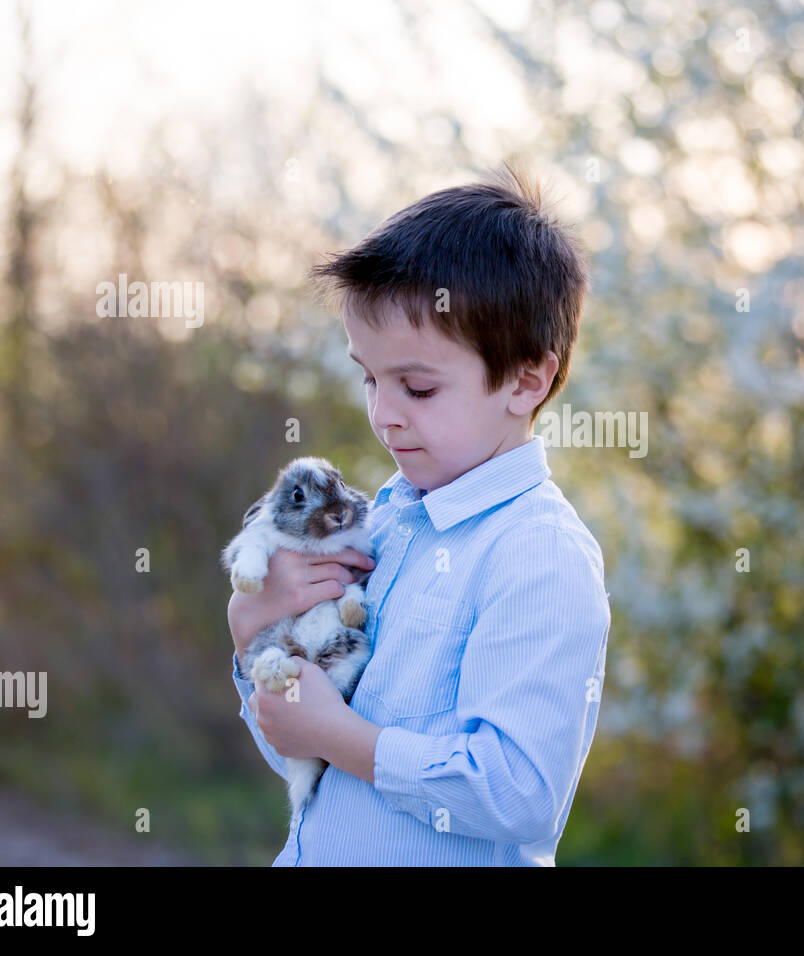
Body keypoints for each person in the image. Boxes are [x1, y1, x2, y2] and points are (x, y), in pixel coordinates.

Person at [226, 161, 610, 866]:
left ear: (528, 379)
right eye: (370, 378)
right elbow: (303, 757)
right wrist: (256, 642)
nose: (383, 414)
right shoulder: (387, 526)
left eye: (418, 387)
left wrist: (341, 735)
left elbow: (519, 793)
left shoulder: (536, 552)